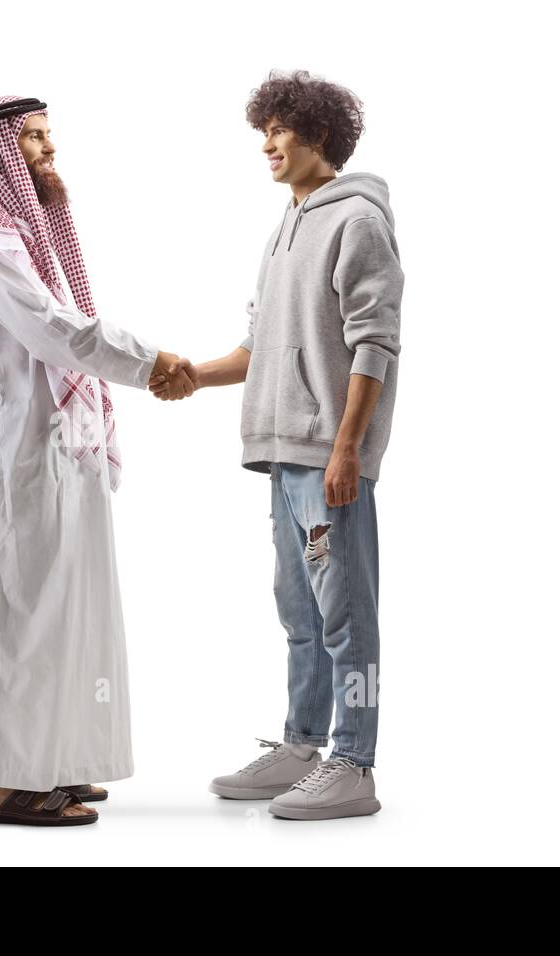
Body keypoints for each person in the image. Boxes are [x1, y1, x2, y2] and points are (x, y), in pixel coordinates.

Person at [0, 95, 192, 826]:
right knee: (21, 609)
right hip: (10, 459)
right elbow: (55, 330)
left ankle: (53, 760)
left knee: (68, 608)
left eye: (49, 136)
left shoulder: (18, 234)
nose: (47, 150)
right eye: (32, 138)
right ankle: (6, 784)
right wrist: (152, 364)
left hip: (53, 449)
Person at [151, 71, 403, 820]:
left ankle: (354, 762)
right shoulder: (284, 226)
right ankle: (301, 746)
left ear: (317, 135)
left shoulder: (357, 220)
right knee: (299, 613)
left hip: (327, 456)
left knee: (347, 615)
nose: (267, 144)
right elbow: (260, 347)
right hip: (281, 454)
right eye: (263, 131)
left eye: (277, 129)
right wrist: (192, 375)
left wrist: (348, 448)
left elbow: (375, 343)